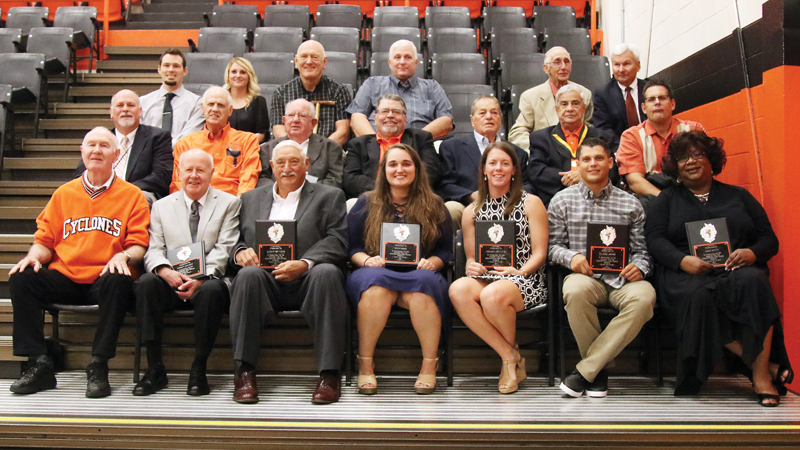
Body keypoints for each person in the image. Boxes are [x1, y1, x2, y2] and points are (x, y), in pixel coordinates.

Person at [645, 130, 792, 406]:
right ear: (675, 166)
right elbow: (654, 239)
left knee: (756, 284)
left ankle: (761, 376)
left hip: (735, 269)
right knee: (700, 296)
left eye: (698, 154)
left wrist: (751, 253)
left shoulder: (739, 195)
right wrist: (682, 260)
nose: (691, 161)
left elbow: (768, 239)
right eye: (683, 158)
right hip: (685, 275)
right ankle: (760, 365)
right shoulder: (666, 199)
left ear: (711, 159)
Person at [8, 127, 150, 398]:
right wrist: (32, 257)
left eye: (104, 146)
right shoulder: (63, 194)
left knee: (120, 279)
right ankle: (38, 363)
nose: (96, 150)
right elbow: (44, 242)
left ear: (117, 154)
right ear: (82, 152)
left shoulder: (132, 195)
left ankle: (99, 363)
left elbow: (138, 244)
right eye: (91, 145)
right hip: (66, 276)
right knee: (22, 276)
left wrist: (123, 255)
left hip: (105, 276)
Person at [228, 140, 349, 405]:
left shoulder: (330, 195)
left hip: (309, 278)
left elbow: (337, 240)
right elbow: (235, 239)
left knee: (327, 273)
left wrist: (305, 262)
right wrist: (239, 253)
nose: (287, 168)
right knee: (246, 276)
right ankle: (244, 372)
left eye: (294, 162)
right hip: (264, 280)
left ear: (306, 164)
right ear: (271, 166)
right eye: (280, 162)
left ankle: (329, 374)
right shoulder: (250, 198)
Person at [548, 138, 655, 398]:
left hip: (623, 279)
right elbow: (552, 247)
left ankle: (587, 371)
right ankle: (598, 370)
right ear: (578, 165)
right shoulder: (561, 201)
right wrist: (570, 257)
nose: (593, 164)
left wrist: (638, 267)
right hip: (586, 278)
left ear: (610, 162)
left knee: (645, 297)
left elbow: (643, 251)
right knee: (573, 290)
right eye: (586, 159)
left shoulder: (631, 204)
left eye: (599, 158)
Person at [133, 149, 241, 397]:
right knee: (146, 284)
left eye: (200, 170)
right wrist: (164, 271)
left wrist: (201, 277)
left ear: (212, 173)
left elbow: (225, 247)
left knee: (212, 290)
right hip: (171, 278)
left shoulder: (230, 203)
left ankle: (199, 368)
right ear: (178, 173)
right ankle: (155, 368)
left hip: (209, 279)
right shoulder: (160, 207)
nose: (194, 176)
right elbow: (154, 249)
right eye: (188, 170)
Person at [348, 143, 453, 395]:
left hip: (419, 273)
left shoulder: (435, 204)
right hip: (374, 270)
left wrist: (433, 262)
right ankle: (365, 364)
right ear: (383, 170)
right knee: (376, 289)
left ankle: (429, 365)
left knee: (423, 289)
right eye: (393, 164)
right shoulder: (365, 202)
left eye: (406, 164)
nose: (399, 169)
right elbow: (351, 247)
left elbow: (446, 250)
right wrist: (365, 260)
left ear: (417, 169)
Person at [449, 142, 548, 394]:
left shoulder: (531, 202)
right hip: (488, 276)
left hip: (525, 277)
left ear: (514, 169)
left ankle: (508, 365)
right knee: (458, 289)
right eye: (492, 163)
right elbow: (472, 257)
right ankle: (509, 354)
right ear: (483, 169)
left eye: (505, 163)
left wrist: (521, 271)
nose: (498, 168)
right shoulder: (471, 210)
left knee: (492, 295)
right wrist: (471, 266)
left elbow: (540, 252)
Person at [437, 95, 531, 229]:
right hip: (468, 204)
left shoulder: (517, 152)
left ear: (500, 118)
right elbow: (445, 185)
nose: (489, 117)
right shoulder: (452, 147)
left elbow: (527, 185)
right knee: (451, 209)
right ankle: (456, 250)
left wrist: (510, 197)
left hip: (508, 204)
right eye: (482, 113)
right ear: (472, 120)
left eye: (494, 113)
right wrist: (471, 196)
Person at [73, 89, 173, 205]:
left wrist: (121, 190)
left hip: (138, 195)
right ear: (111, 112)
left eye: (131, 105)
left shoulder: (157, 137)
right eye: (120, 105)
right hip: (100, 194)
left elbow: (161, 176)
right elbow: (80, 174)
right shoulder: (100, 139)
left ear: (140, 112)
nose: (125, 109)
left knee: (141, 197)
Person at [527, 85, 618, 207]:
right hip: (554, 201)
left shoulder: (602, 137)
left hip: (597, 201)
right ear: (557, 109)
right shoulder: (541, 138)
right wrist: (572, 177)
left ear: (584, 108)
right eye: (564, 104)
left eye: (575, 103)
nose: (570, 108)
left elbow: (613, 172)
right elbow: (536, 171)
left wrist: (583, 176)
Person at [617, 80, 705, 200]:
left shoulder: (693, 130)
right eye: (651, 99)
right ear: (644, 108)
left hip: (691, 193)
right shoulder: (631, 137)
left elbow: (706, 170)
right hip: (653, 199)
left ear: (672, 104)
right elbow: (634, 181)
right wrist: (669, 201)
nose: (657, 102)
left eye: (662, 98)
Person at [347, 40, 453, 138]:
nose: (402, 62)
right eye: (397, 57)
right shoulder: (371, 84)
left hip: (420, 148)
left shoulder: (432, 87)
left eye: (408, 57)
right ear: (390, 63)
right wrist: (377, 143)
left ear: (416, 63)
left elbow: (446, 121)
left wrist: (416, 140)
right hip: (376, 149)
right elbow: (357, 117)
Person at [343, 94, 441, 201]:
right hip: (373, 198)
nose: (390, 115)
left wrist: (402, 190)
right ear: (375, 118)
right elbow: (350, 178)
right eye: (384, 111)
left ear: (405, 119)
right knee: (352, 203)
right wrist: (385, 189)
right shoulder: (358, 144)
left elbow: (431, 171)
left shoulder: (421, 138)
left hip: (414, 198)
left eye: (396, 112)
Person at [171, 86, 261, 196]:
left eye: (220, 105)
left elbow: (249, 177)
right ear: (202, 108)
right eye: (210, 104)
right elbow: (178, 183)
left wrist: (240, 203)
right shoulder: (185, 144)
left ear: (230, 111)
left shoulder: (247, 140)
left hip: (232, 203)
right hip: (195, 203)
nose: (214, 109)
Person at [508, 46, 594, 149]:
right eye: (557, 62)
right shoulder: (531, 97)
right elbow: (517, 133)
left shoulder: (584, 94)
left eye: (566, 62)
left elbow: (590, 130)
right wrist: (541, 149)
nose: (563, 67)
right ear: (546, 68)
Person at [271, 40, 352, 146]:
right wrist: (298, 151)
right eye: (304, 56)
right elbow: (279, 131)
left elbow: (343, 132)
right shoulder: (281, 93)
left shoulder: (339, 91)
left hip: (327, 155)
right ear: (296, 61)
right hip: (291, 154)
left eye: (314, 57)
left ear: (324, 62)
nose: (309, 61)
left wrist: (318, 151)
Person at [259, 99, 343, 188]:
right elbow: (262, 179)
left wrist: (302, 192)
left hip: (315, 199)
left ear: (313, 123)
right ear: (284, 121)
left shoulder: (330, 148)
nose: (295, 120)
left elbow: (335, 182)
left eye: (302, 116)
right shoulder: (268, 148)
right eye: (291, 115)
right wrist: (282, 191)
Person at [139, 48, 205, 146]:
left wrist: (162, 150)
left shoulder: (197, 103)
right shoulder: (142, 102)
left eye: (176, 66)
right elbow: (139, 135)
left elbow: (189, 137)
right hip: (149, 158)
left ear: (185, 71)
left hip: (181, 157)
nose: (171, 69)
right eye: (166, 65)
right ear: (159, 69)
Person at [592, 43, 647, 139]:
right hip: (619, 149)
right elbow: (604, 129)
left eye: (626, 64)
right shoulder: (602, 94)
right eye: (617, 65)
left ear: (638, 66)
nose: (621, 70)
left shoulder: (650, 90)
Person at [224, 57, 270, 143]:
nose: (238, 75)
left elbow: (262, 134)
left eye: (243, 72)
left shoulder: (258, 101)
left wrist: (239, 143)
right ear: (228, 75)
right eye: (234, 72)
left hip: (248, 149)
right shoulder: (220, 100)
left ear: (249, 76)